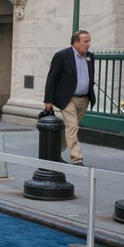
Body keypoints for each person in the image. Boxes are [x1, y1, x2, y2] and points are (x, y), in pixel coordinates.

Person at [44, 30, 96, 166]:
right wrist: (48, 100)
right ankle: (76, 159)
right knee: (72, 127)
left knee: (70, 127)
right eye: (85, 41)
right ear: (76, 43)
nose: (89, 44)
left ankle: (56, 151)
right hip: (67, 98)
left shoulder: (90, 57)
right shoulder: (62, 56)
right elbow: (52, 78)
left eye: (89, 41)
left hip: (84, 99)